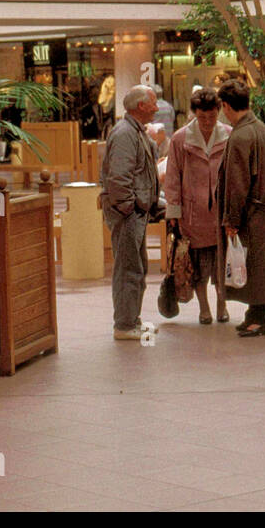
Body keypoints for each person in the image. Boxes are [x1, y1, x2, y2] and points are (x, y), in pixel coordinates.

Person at [216, 80, 265, 337]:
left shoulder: (239, 136)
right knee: (262, 264)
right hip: (264, 209)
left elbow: (237, 183)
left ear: (225, 106)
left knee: (253, 267)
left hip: (249, 213)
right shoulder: (260, 129)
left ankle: (258, 319)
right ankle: (256, 315)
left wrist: (231, 219)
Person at [164, 88, 231, 324]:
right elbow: (172, 177)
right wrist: (174, 212)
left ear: (218, 112)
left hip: (221, 214)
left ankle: (222, 305)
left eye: (212, 117)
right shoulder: (181, 139)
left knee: (222, 265)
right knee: (199, 266)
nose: (207, 122)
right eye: (202, 117)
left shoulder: (228, 136)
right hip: (194, 215)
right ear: (194, 115)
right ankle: (204, 308)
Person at [101, 84, 161, 340]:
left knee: (137, 267)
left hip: (135, 213)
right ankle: (124, 325)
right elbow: (119, 177)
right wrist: (130, 207)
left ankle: (131, 320)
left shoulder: (135, 132)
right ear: (141, 106)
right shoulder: (126, 134)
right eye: (153, 102)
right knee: (129, 269)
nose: (157, 107)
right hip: (128, 214)